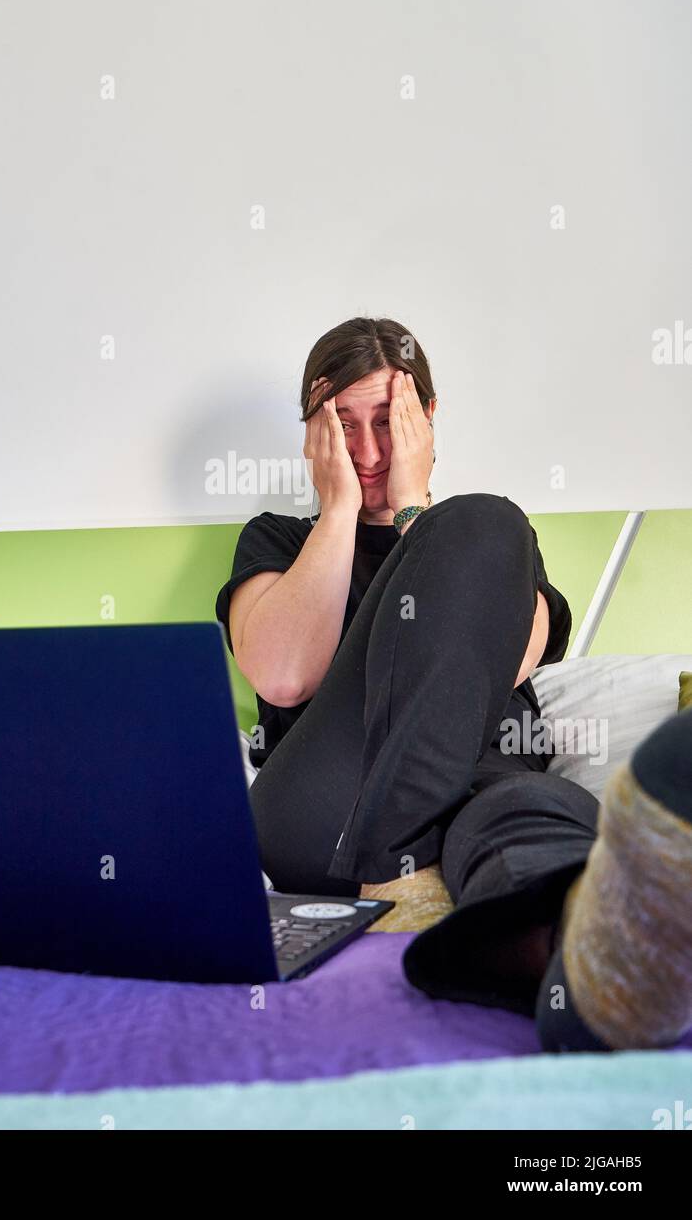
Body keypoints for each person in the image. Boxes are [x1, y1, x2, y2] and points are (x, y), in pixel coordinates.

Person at [215, 316, 692, 1052]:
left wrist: (415, 514)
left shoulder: (494, 547)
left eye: (387, 423)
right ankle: (397, 862)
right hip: (325, 817)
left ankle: (581, 954)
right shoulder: (278, 541)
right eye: (342, 427)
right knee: (482, 529)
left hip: (481, 791)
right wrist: (339, 509)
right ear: (313, 437)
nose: (368, 451)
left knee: (529, 818)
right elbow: (283, 678)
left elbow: (510, 658)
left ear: (425, 422)